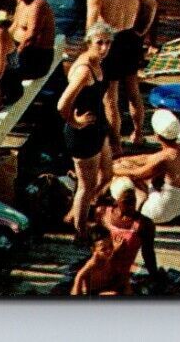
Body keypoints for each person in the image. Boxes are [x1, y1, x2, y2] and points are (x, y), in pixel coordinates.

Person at [87, 0, 156, 146]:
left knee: (111, 98)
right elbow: (151, 3)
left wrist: (91, 53)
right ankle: (138, 133)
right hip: (129, 37)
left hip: (110, 41)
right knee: (133, 90)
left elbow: (91, 27)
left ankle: (116, 145)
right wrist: (141, 30)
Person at [59, 23, 115, 239]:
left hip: (98, 127)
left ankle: (76, 212)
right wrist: (75, 122)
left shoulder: (99, 63)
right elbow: (62, 104)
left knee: (107, 175)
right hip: (83, 133)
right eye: (99, 42)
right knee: (86, 185)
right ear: (89, 42)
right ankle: (80, 231)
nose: (104, 47)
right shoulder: (84, 70)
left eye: (108, 42)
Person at [111, 110, 180, 225]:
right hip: (176, 210)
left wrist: (110, 169)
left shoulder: (165, 157)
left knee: (121, 177)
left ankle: (131, 208)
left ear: (157, 136)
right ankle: (141, 197)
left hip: (159, 213)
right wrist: (123, 159)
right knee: (124, 165)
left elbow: (136, 174)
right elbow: (148, 158)